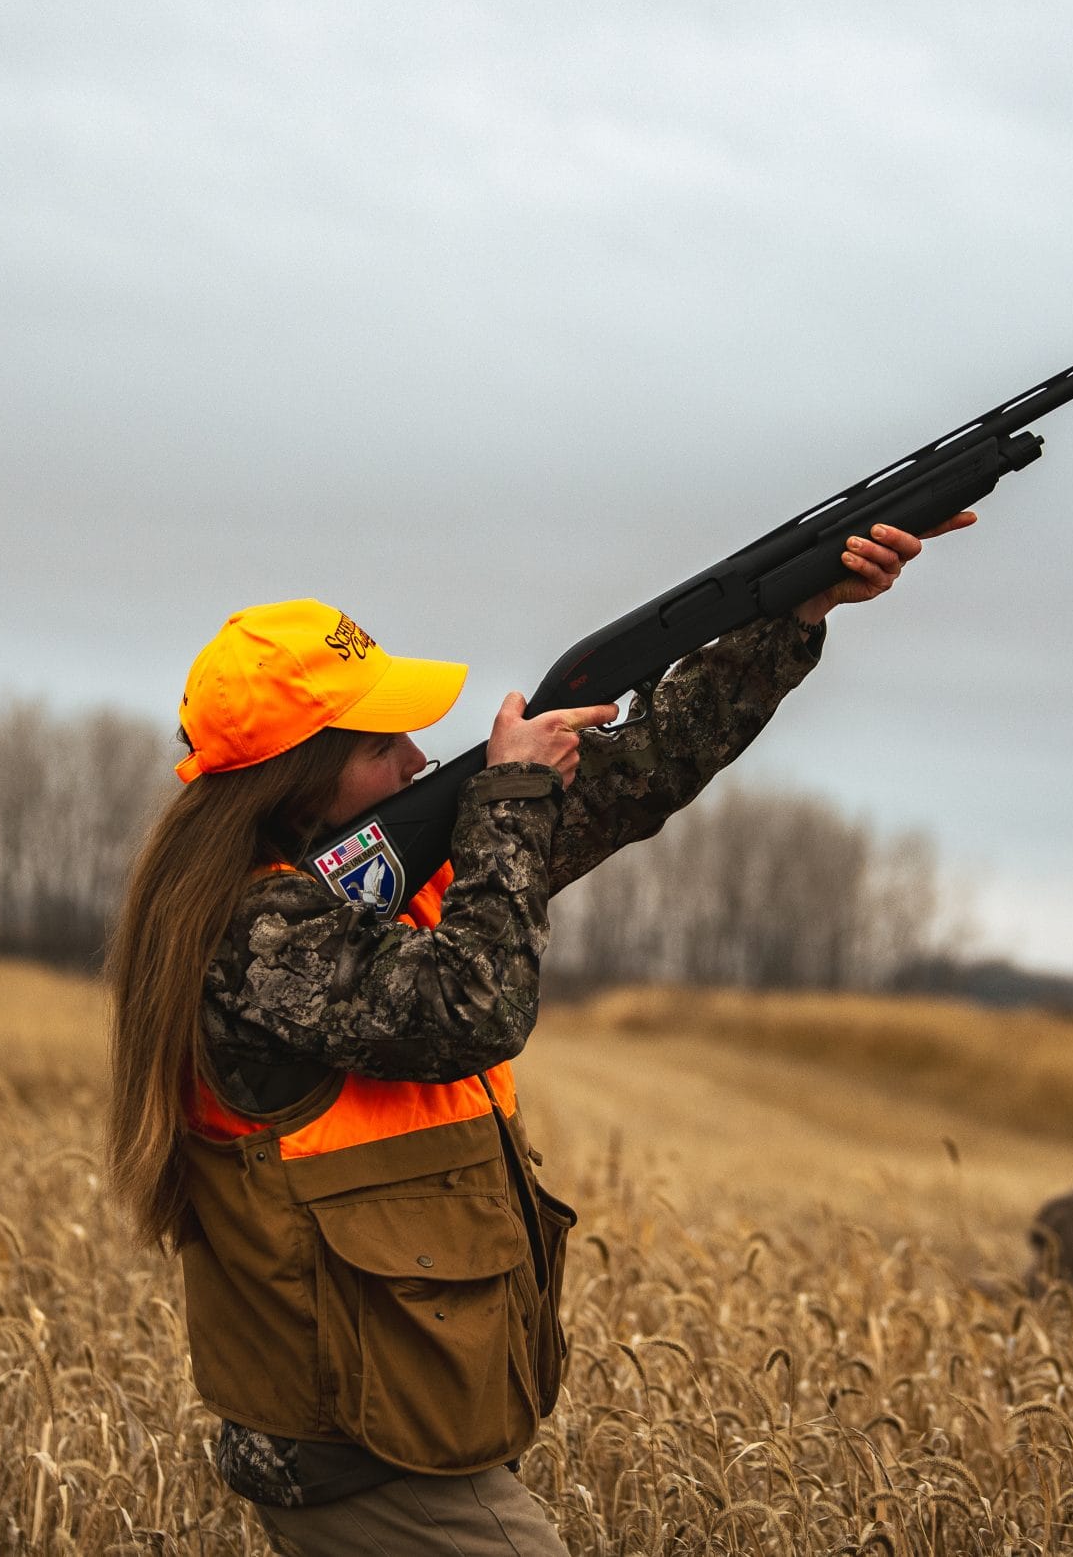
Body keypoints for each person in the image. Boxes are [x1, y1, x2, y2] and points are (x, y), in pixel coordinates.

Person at [105, 515, 973, 1556]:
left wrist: (793, 613)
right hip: (365, 1458)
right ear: (300, 775)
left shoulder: (376, 885)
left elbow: (640, 769)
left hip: (398, 1420)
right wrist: (507, 797)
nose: (420, 758)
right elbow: (475, 1007)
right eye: (383, 747)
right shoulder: (254, 931)